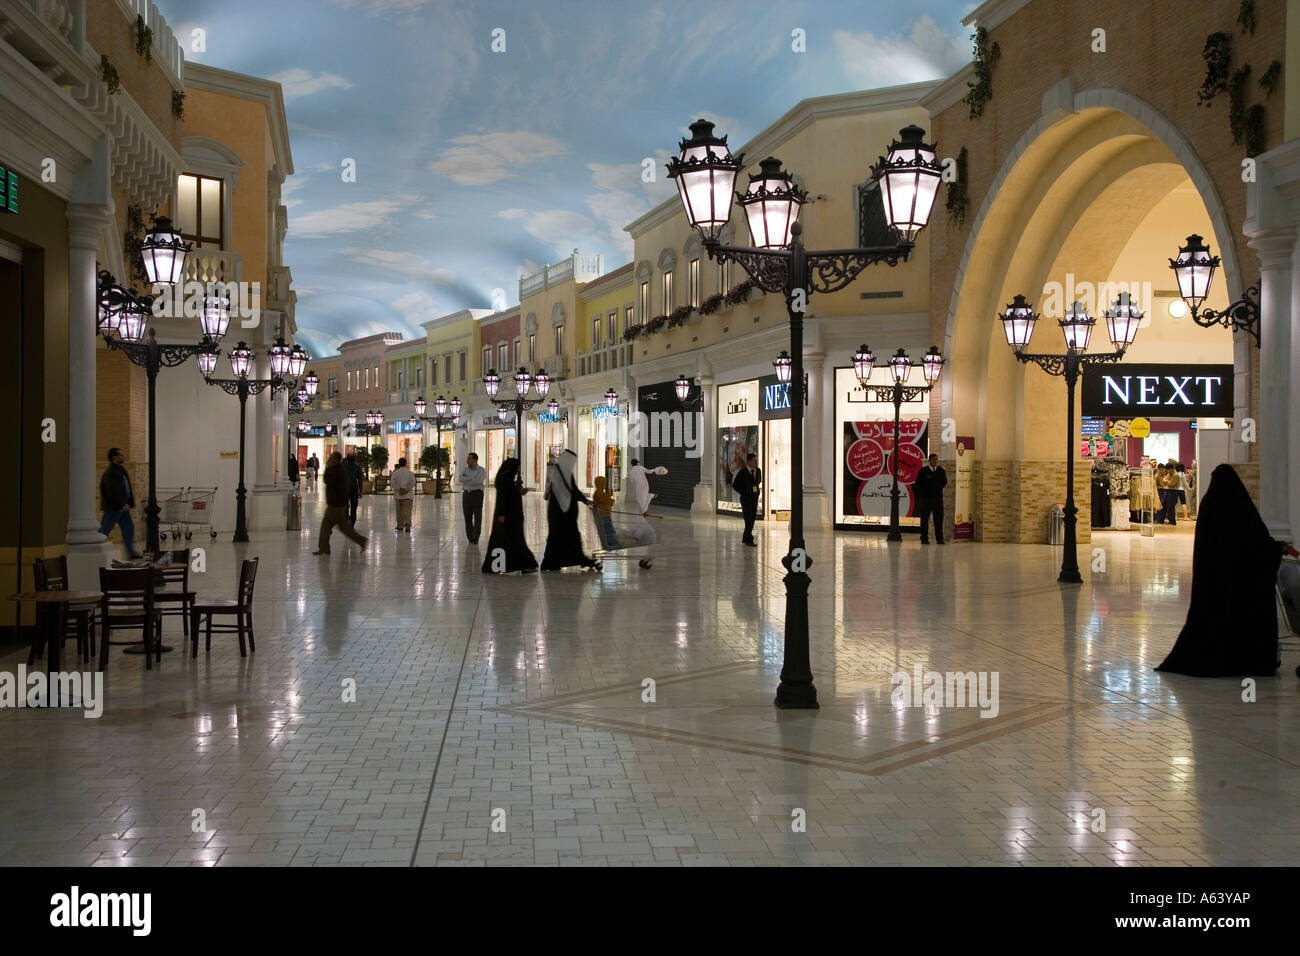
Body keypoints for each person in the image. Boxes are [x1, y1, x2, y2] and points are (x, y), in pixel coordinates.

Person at [1156, 465, 1299, 676]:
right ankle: (1246, 659)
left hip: (1212, 581)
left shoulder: (1209, 506)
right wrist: (1279, 547)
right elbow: (1255, 544)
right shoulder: (1240, 507)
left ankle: (1216, 656)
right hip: (1241, 584)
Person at [541, 449, 596, 571]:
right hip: (562, 513)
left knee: (558, 537)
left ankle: (553, 562)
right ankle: (578, 560)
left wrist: (585, 500)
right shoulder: (563, 473)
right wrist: (585, 500)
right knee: (567, 537)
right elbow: (573, 491)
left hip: (558, 512)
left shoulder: (556, 471)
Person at [482, 458, 537, 574]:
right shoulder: (504, 479)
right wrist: (501, 514)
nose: (518, 470)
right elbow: (503, 497)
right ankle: (519, 565)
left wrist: (519, 492)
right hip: (508, 516)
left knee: (513, 541)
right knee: (511, 540)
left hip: (512, 515)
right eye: (517, 467)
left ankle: (522, 565)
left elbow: (510, 493)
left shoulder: (507, 479)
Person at [313, 451, 367, 555]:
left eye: (331, 457)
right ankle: (361, 540)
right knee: (344, 528)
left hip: (336, 504)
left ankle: (324, 548)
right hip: (338, 503)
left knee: (326, 526)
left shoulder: (337, 470)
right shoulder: (340, 468)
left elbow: (327, 480)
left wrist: (328, 467)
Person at [98, 447, 143, 559]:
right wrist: (122, 503)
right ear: (114, 457)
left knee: (128, 528)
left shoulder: (120, 470)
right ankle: (96, 549)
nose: (123, 457)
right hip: (114, 508)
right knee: (105, 529)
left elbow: (125, 487)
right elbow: (112, 491)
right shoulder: (111, 473)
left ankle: (130, 552)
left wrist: (129, 502)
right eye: (121, 455)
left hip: (122, 508)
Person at [914, 452, 948, 544]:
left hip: (938, 499)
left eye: (937, 460)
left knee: (939, 519)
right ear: (930, 460)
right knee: (925, 519)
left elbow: (944, 482)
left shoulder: (941, 471)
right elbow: (918, 484)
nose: (935, 461)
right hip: (926, 500)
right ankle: (924, 538)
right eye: (934, 460)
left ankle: (939, 539)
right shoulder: (923, 471)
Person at [731, 453, 762, 547]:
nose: (755, 462)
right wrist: (743, 492)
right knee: (748, 519)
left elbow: (758, 481)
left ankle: (745, 537)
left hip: (754, 499)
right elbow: (735, 485)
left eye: (756, 461)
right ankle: (749, 539)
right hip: (746, 499)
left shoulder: (758, 471)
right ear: (748, 461)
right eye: (753, 461)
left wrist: (756, 491)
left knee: (752, 518)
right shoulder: (743, 472)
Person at [460, 452, 488, 543]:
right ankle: (470, 536)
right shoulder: (465, 469)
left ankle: (476, 537)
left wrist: (466, 480)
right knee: (467, 517)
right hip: (466, 494)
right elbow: (460, 479)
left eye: (469, 459)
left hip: (477, 494)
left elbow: (478, 481)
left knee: (477, 516)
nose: (467, 461)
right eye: (467, 459)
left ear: (475, 460)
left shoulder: (481, 470)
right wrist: (471, 479)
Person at [390, 456, 416, 532]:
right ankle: (407, 524)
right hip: (408, 496)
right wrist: (406, 489)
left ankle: (400, 525)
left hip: (398, 496)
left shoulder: (395, 473)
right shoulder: (410, 473)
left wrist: (399, 489)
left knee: (399, 511)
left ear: (399, 464)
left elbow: (392, 483)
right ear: (406, 463)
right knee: (407, 511)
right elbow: (413, 483)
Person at [344, 452, 363, 526]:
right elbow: (360, 480)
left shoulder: (344, 466)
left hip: (346, 489)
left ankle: (349, 519)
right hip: (353, 489)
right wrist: (360, 491)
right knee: (353, 507)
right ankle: (352, 521)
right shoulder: (357, 467)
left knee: (346, 506)